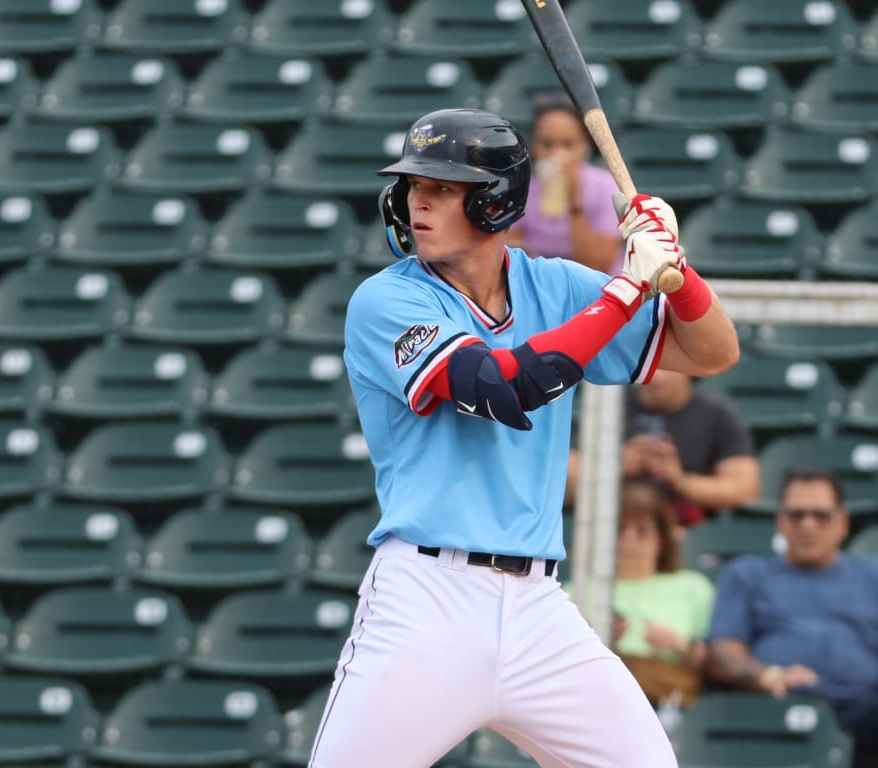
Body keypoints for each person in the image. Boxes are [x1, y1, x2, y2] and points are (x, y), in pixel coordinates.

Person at [311, 107, 739, 768]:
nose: (417, 201)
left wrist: (676, 269)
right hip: (427, 599)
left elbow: (713, 352)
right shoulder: (386, 300)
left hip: (540, 607)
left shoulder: (555, 285)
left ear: (496, 201)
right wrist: (627, 287)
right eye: (414, 185)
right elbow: (501, 388)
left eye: (442, 188)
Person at [707, 469, 878, 768]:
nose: (808, 525)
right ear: (780, 521)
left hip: (861, 706)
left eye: (821, 516)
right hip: (781, 704)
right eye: (797, 515)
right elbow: (723, 652)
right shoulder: (746, 574)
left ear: (842, 522)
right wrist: (768, 676)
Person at [567, 369, 760, 525]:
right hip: (614, 528)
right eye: (652, 366)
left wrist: (681, 481)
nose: (658, 377)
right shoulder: (609, 407)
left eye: (669, 367)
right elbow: (564, 481)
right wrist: (615, 465)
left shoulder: (716, 414)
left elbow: (745, 489)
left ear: (688, 368)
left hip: (685, 532)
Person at [607, 479, 715, 708]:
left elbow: (714, 665)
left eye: (642, 531)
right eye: (620, 529)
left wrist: (679, 646)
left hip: (670, 702)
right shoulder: (577, 588)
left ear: (662, 539)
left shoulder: (694, 587)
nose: (629, 539)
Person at [506, 94, 624, 273]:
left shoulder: (605, 187)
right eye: (547, 144)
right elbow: (511, 254)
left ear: (584, 146)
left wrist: (574, 200)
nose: (556, 154)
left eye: (568, 145)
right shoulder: (522, 186)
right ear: (533, 146)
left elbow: (598, 267)